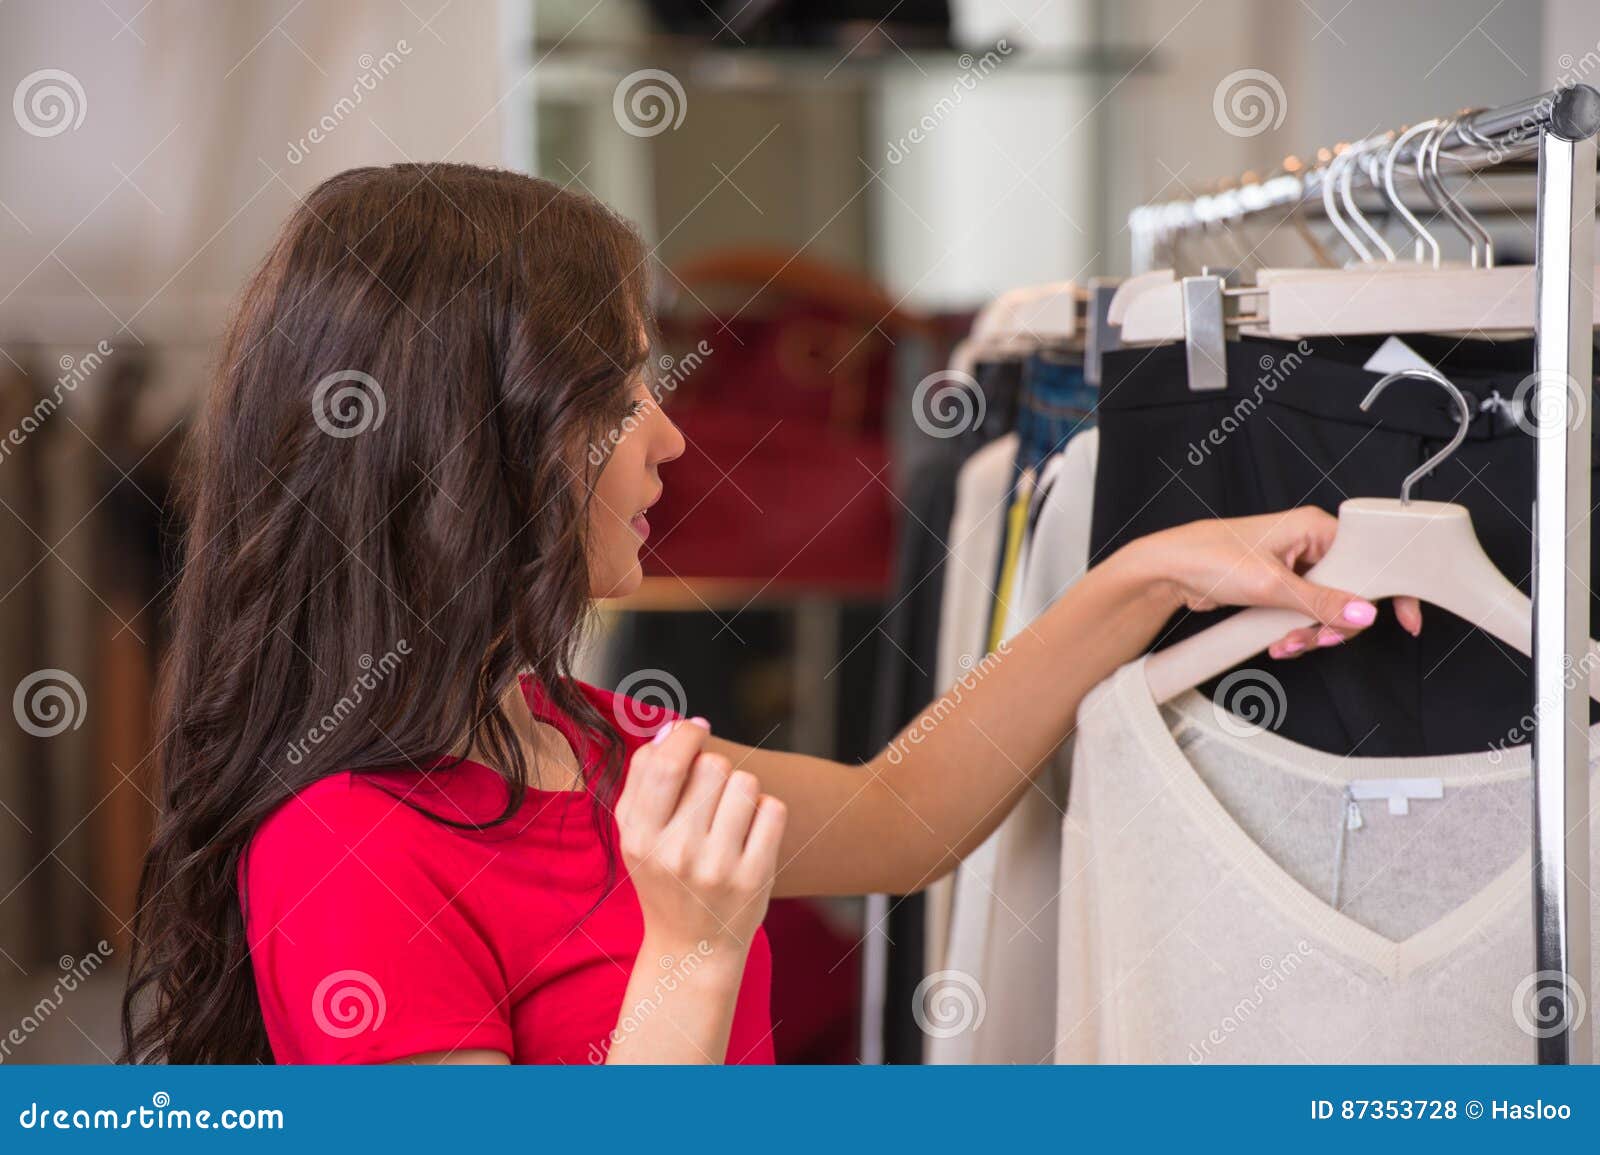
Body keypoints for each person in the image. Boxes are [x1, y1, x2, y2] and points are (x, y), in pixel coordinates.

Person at [120, 164, 1419, 1066]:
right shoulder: (342, 856)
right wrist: (691, 955)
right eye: (621, 399)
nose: (674, 437)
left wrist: (1152, 577)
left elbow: (905, 817)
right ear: (476, 451)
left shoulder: (580, 741)